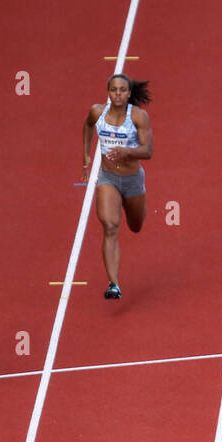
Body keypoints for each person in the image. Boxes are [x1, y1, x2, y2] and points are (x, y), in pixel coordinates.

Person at [83, 74, 153, 300]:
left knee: (135, 226)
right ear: (108, 92)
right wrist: (86, 154)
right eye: (114, 90)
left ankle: (134, 206)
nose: (118, 94)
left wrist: (126, 152)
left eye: (122, 90)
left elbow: (148, 151)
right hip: (108, 178)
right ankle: (114, 283)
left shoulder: (139, 117)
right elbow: (87, 126)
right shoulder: (97, 112)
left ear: (129, 93)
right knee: (110, 226)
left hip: (132, 180)